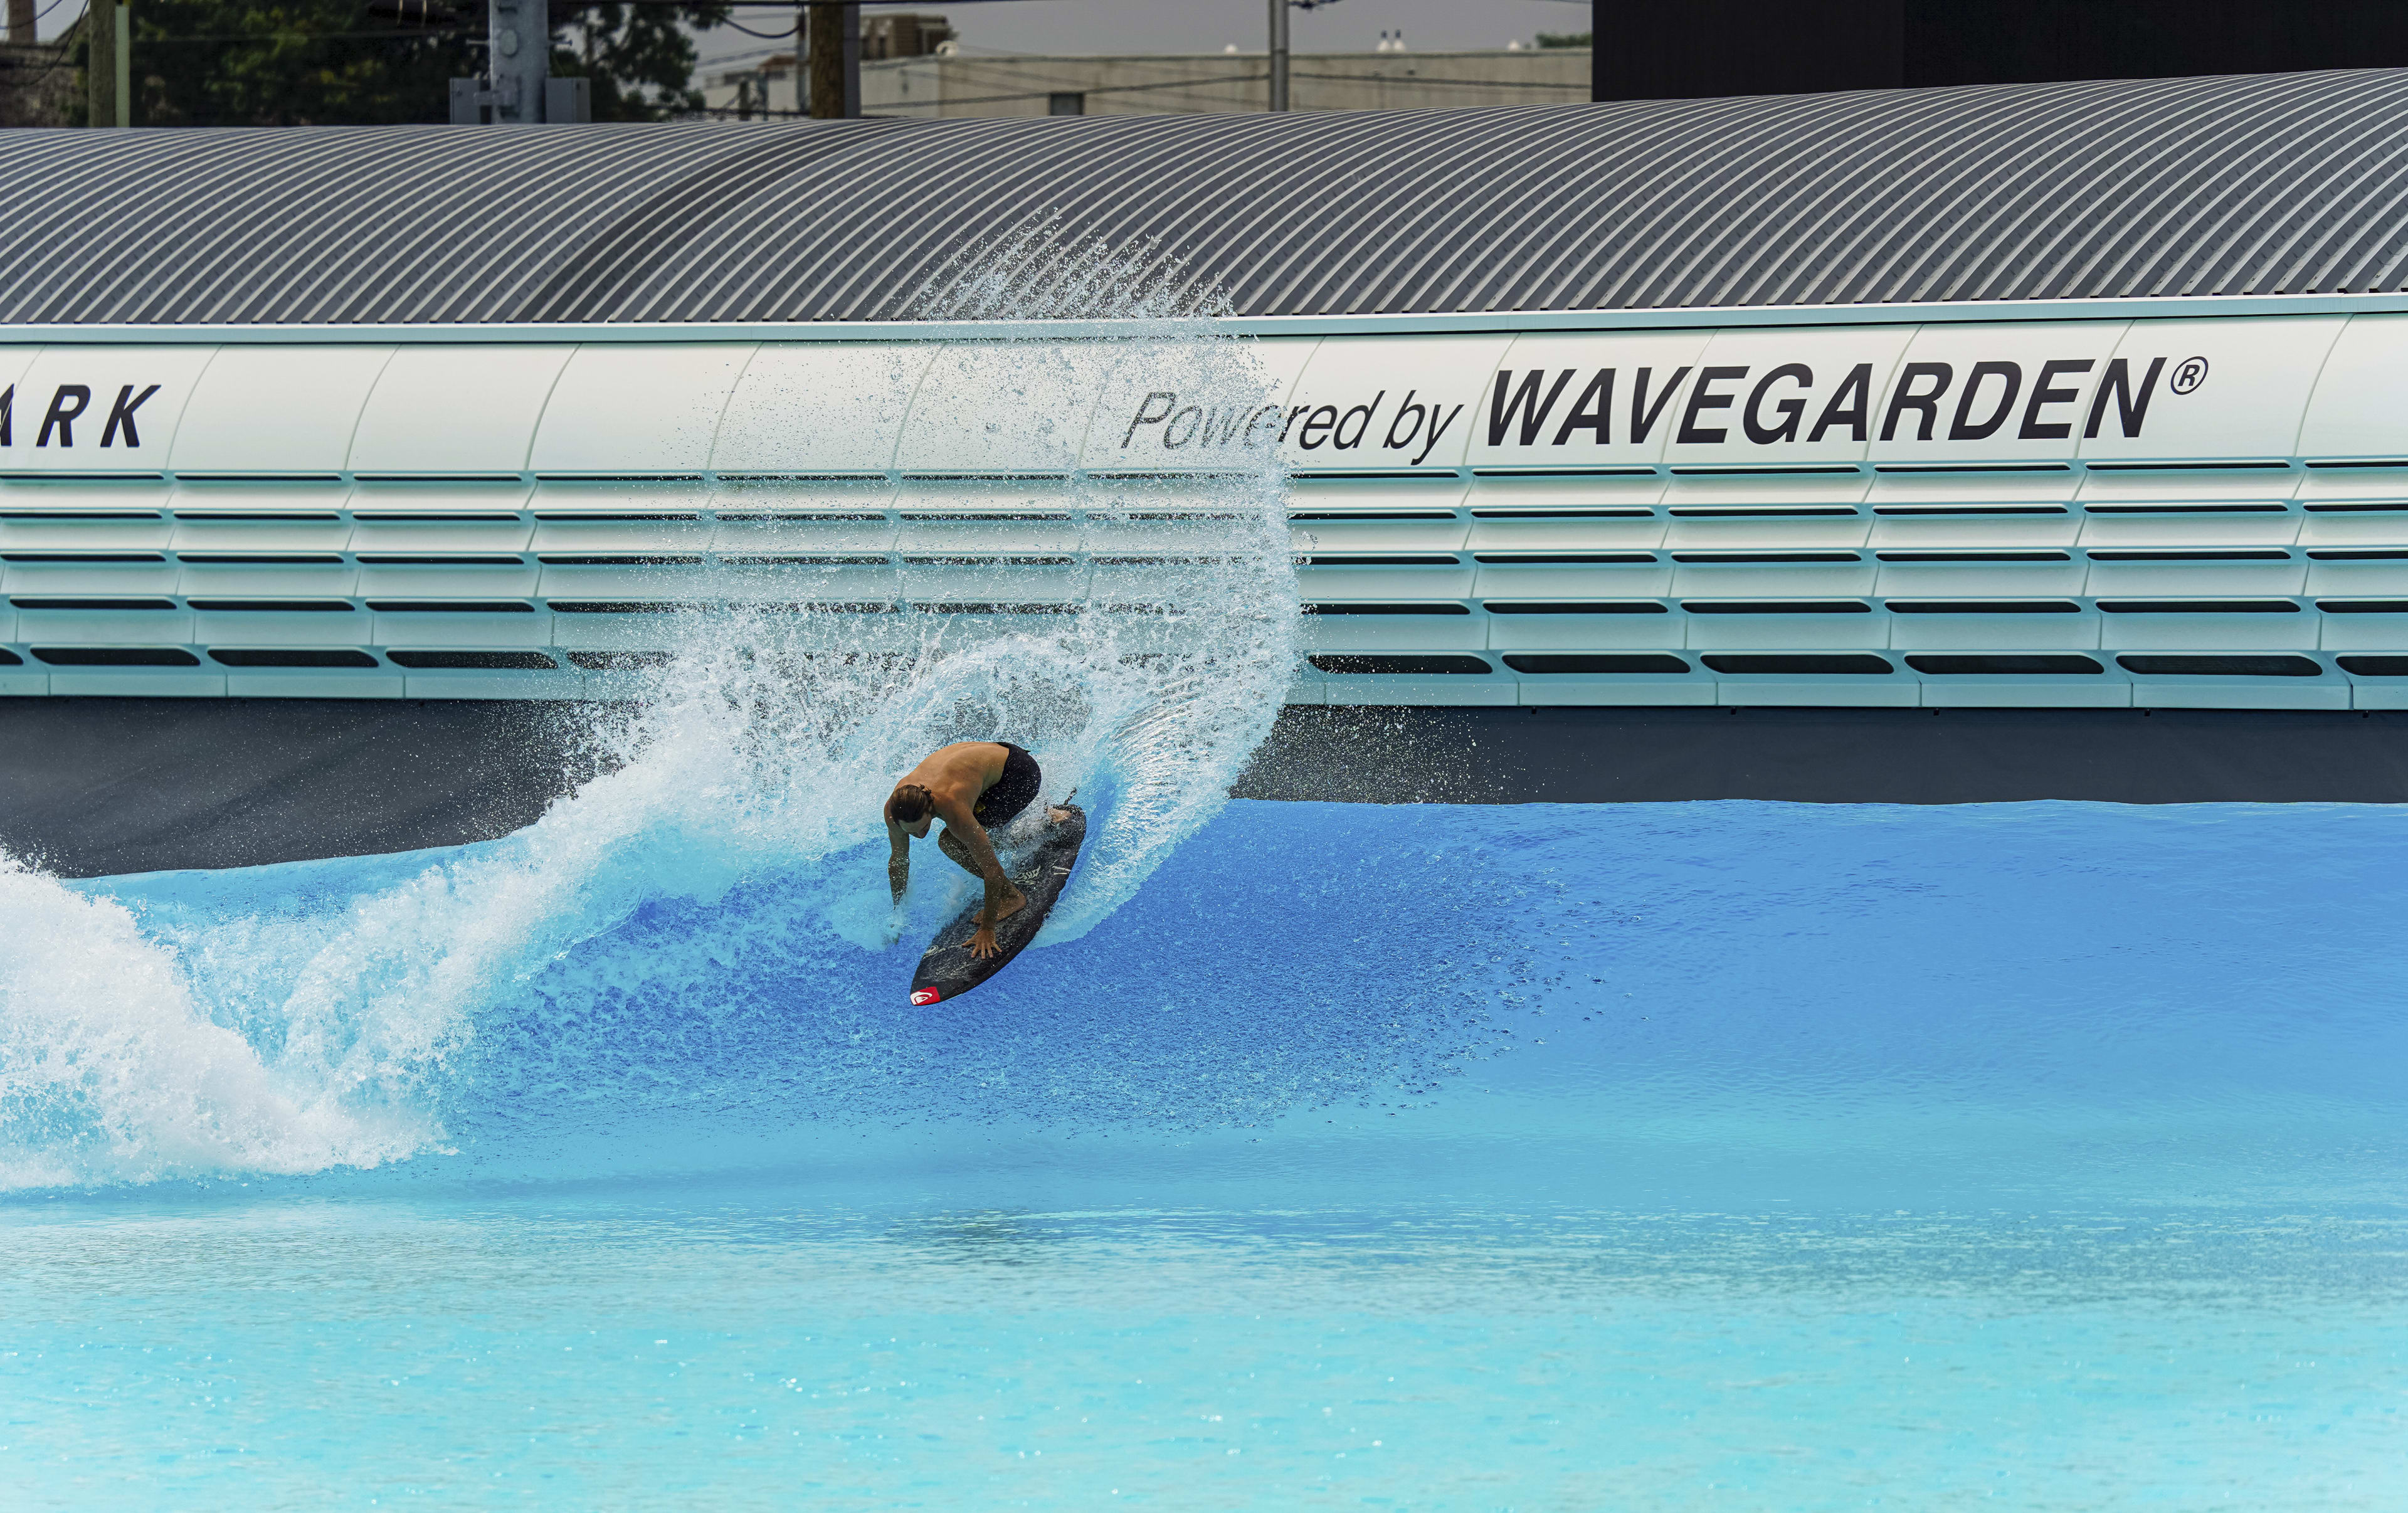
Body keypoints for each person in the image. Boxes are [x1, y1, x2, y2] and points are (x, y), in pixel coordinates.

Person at [885, 741, 1066, 960]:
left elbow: (992, 871)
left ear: (931, 807)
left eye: (924, 828)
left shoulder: (951, 804)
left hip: (1018, 774)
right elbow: (898, 862)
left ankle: (1012, 895)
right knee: (972, 836)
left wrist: (988, 929)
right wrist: (898, 912)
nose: (920, 836)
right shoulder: (895, 809)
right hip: (994, 760)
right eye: (912, 833)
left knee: (952, 843)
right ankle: (1046, 813)